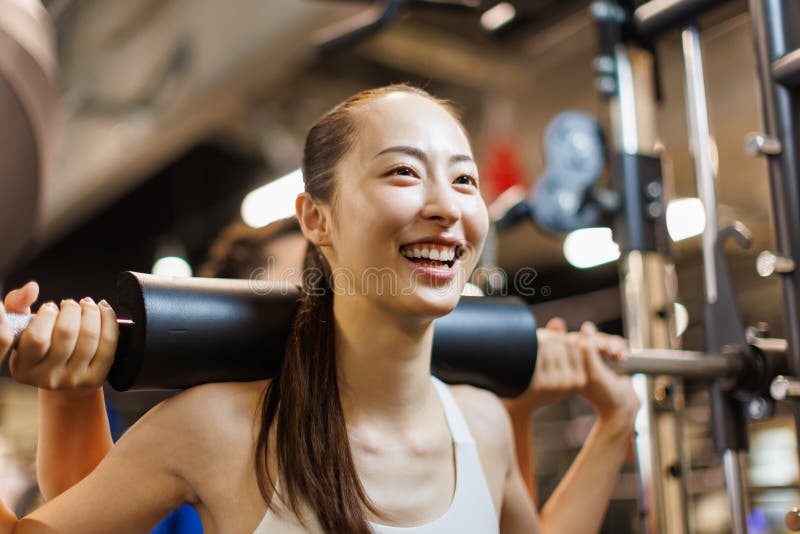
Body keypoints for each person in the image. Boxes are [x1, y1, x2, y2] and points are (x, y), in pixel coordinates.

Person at [0, 84, 638, 533]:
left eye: (464, 179)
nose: (447, 205)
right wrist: (69, 391)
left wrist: (614, 423)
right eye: (404, 172)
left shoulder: (483, 425)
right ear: (317, 219)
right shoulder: (213, 430)